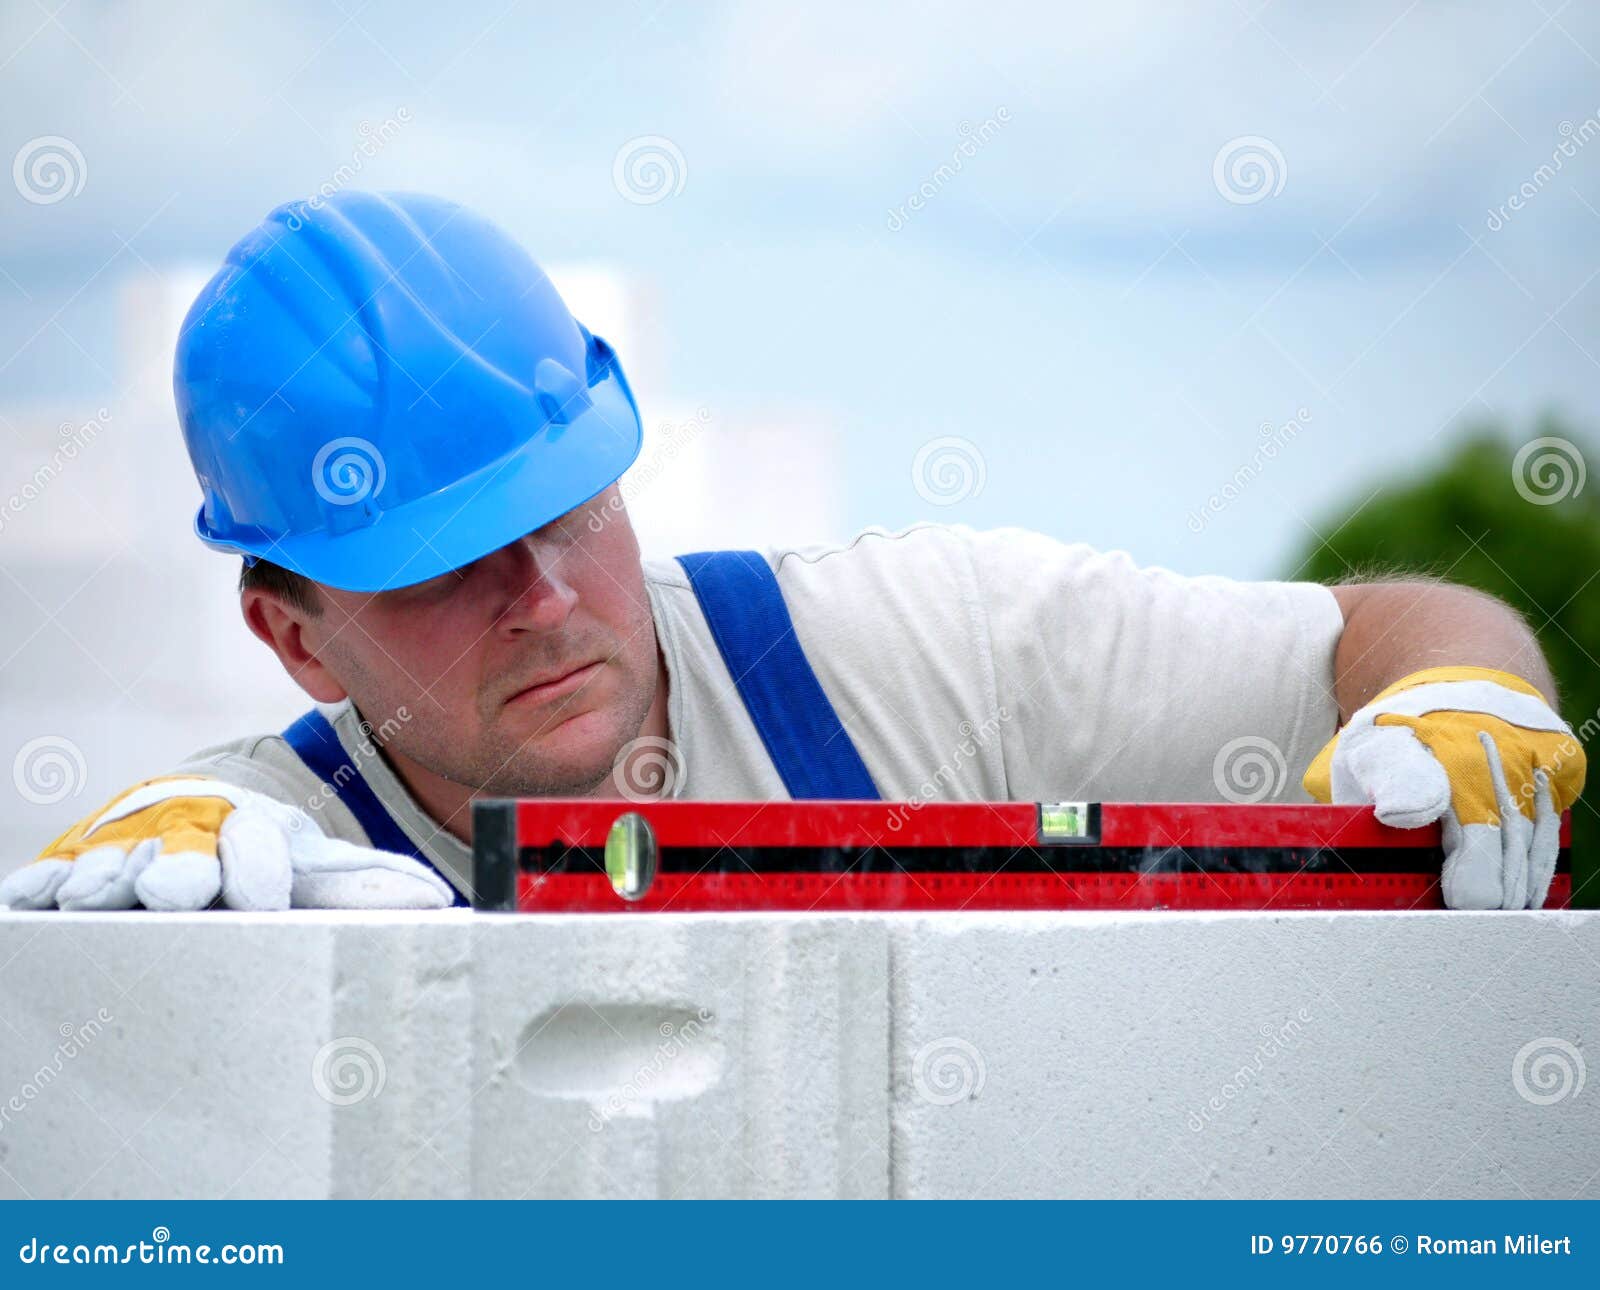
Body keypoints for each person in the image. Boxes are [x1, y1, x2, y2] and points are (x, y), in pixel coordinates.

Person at [1, 191, 1585, 913]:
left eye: (568, 510)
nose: (542, 599)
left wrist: (1466, 695)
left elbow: (1387, 635)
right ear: (293, 636)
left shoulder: (920, 645)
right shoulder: (248, 861)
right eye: (443, 565)